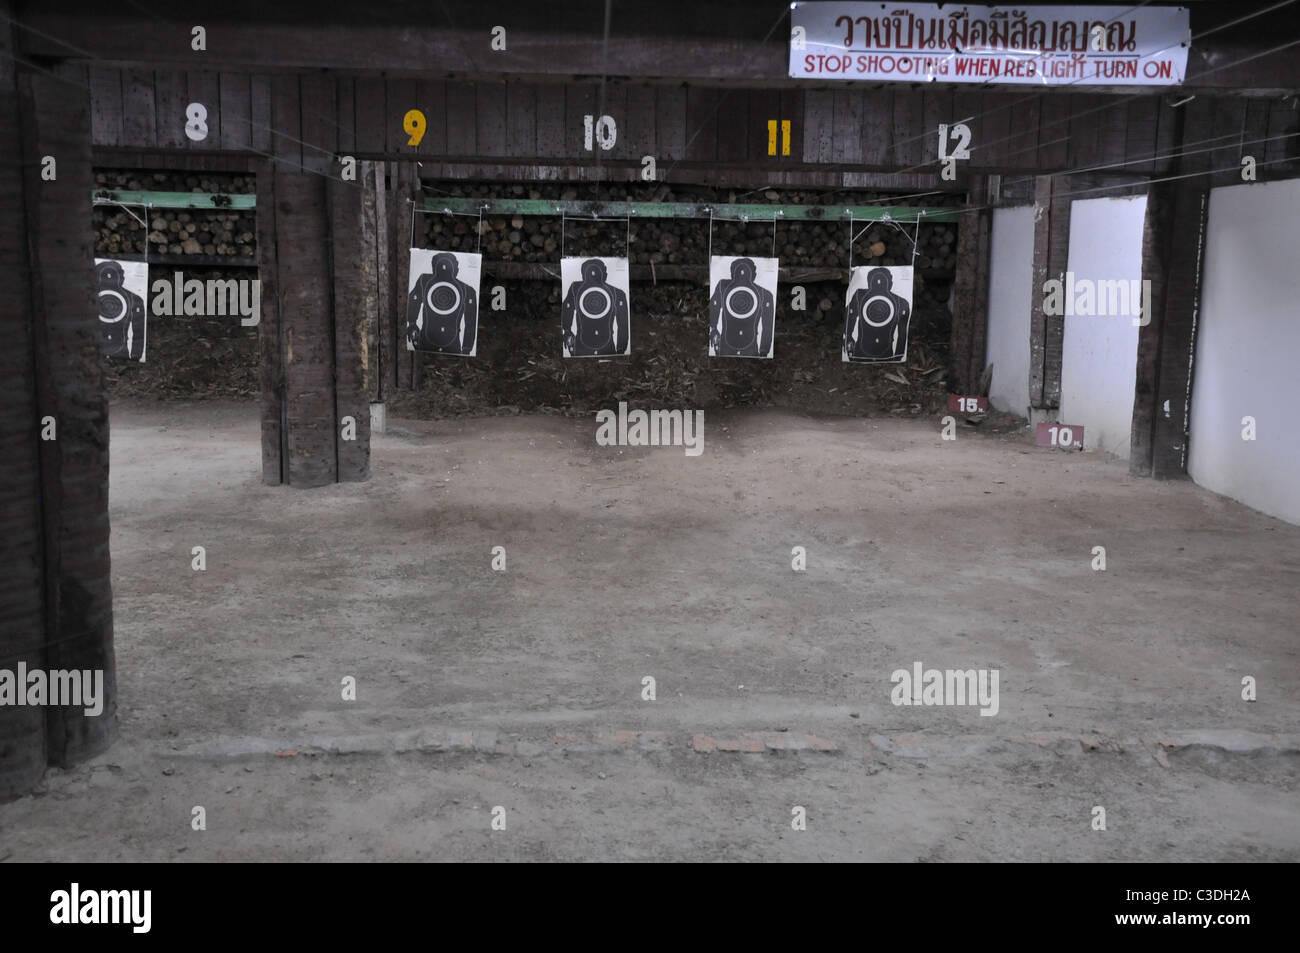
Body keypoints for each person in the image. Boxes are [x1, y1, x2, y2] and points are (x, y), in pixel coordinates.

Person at [563, 258, 629, 356]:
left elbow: (623, 324)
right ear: (605, 274)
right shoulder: (617, 293)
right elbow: (567, 309)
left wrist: (567, 330)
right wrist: (621, 350)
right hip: (590, 347)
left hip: (593, 347)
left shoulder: (575, 288)